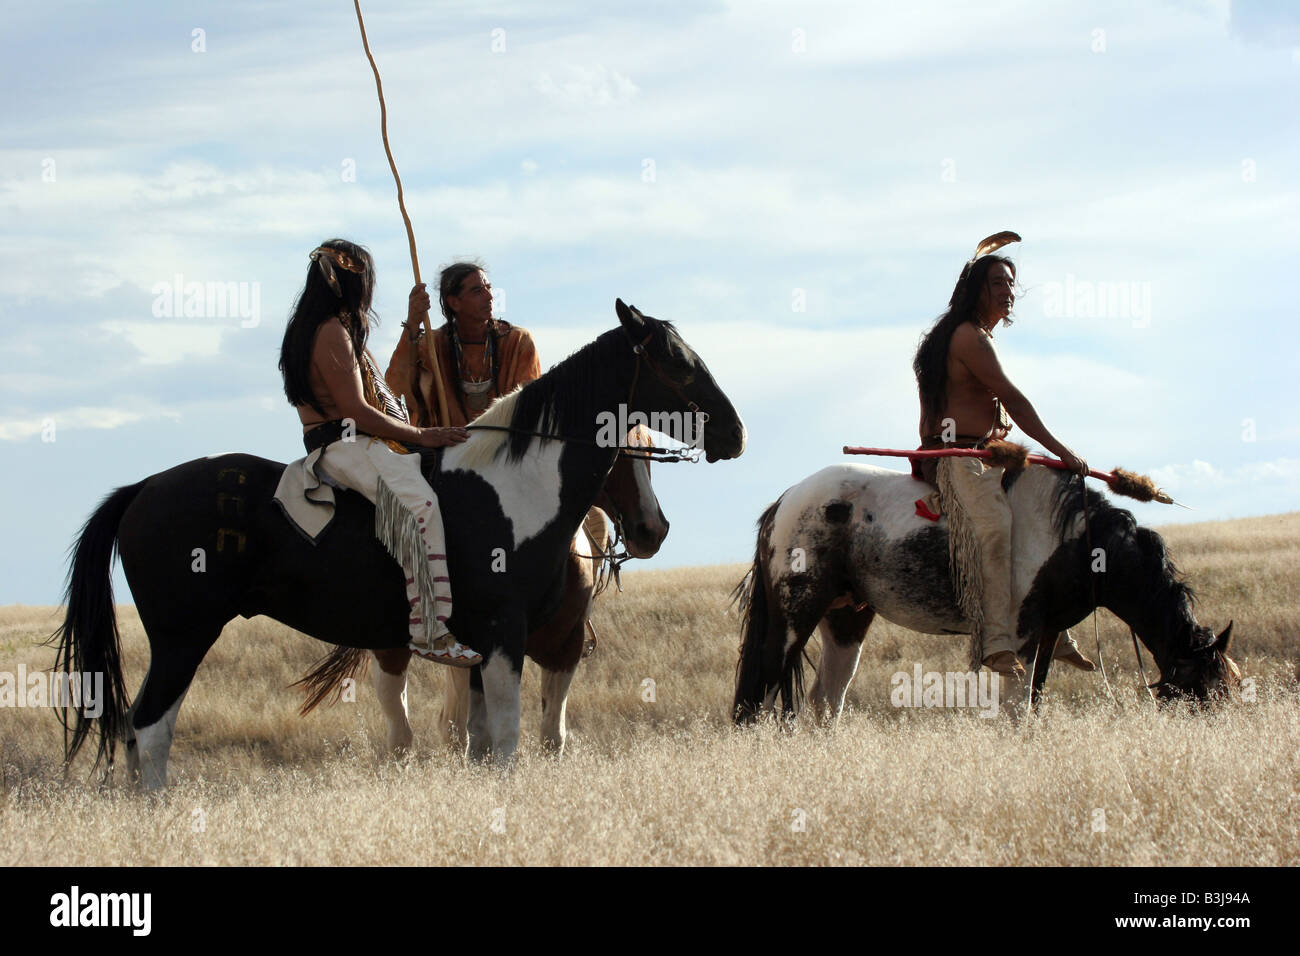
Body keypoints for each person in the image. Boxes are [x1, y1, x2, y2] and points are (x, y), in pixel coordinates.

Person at [278, 239, 479, 666]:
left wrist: (411, 322)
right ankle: (430, 631)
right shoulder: (331, 331)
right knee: (420, 507)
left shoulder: (318, 327)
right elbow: (355, 411)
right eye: (367, 278)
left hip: (349, 443)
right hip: (348, 444)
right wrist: (423, 435)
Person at [912, 232, 1097, 686]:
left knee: (1047, 512)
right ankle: (997, 645)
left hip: (987, 452)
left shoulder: (969, 334)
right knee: (994, 528)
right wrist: (1060, 450)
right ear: (977, 289)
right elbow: (1012, 397)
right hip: (957, 455)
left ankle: (1054, 628)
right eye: (998, 282)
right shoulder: (966, 336)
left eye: (1011, 284)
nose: (1008, 292)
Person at [385, 262, 540, 428]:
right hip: (445, 449)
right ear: (454, 303)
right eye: (477, 291)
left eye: (488, 288)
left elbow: (528, 405)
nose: (489, 296)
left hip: (502, 447)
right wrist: (413, 322)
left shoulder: (517, 342)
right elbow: (397, 390)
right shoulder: (431, 345)